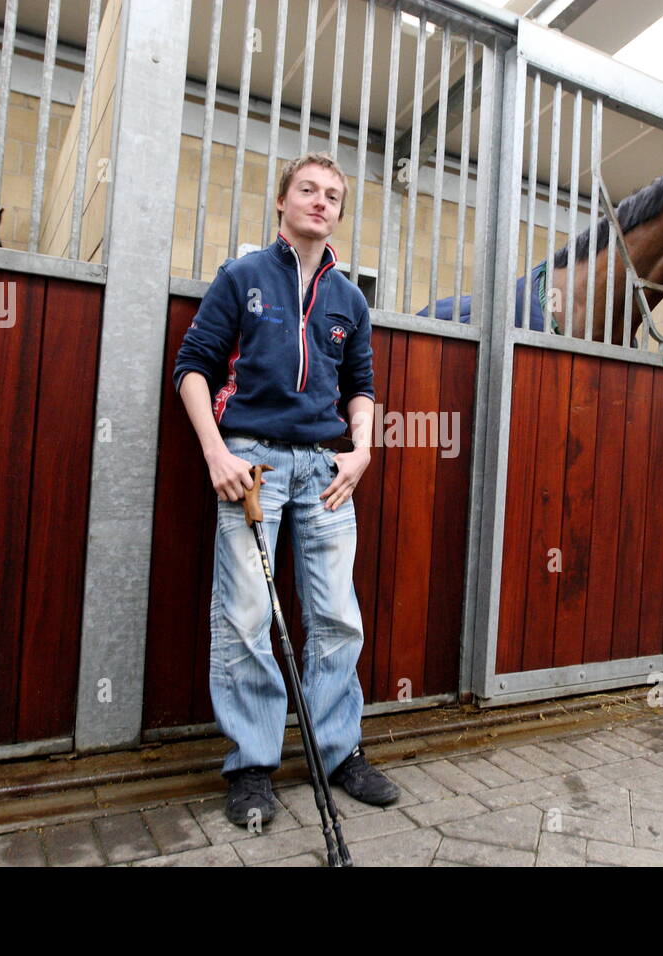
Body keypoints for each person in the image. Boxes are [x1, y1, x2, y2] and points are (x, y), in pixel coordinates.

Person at [172, 152, 400, 826]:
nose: (321, 201)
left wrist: (362, 451)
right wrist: (216, 453)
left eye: (333, 194)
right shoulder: (242, 277)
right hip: (252, 466)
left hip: (326, 470)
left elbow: (361, 387)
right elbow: (193, 369)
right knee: (245, 614)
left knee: (337, 615)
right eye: (308, 189)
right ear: (282, 201)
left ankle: (338, 753)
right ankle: (251, 765)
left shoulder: (350, 299)